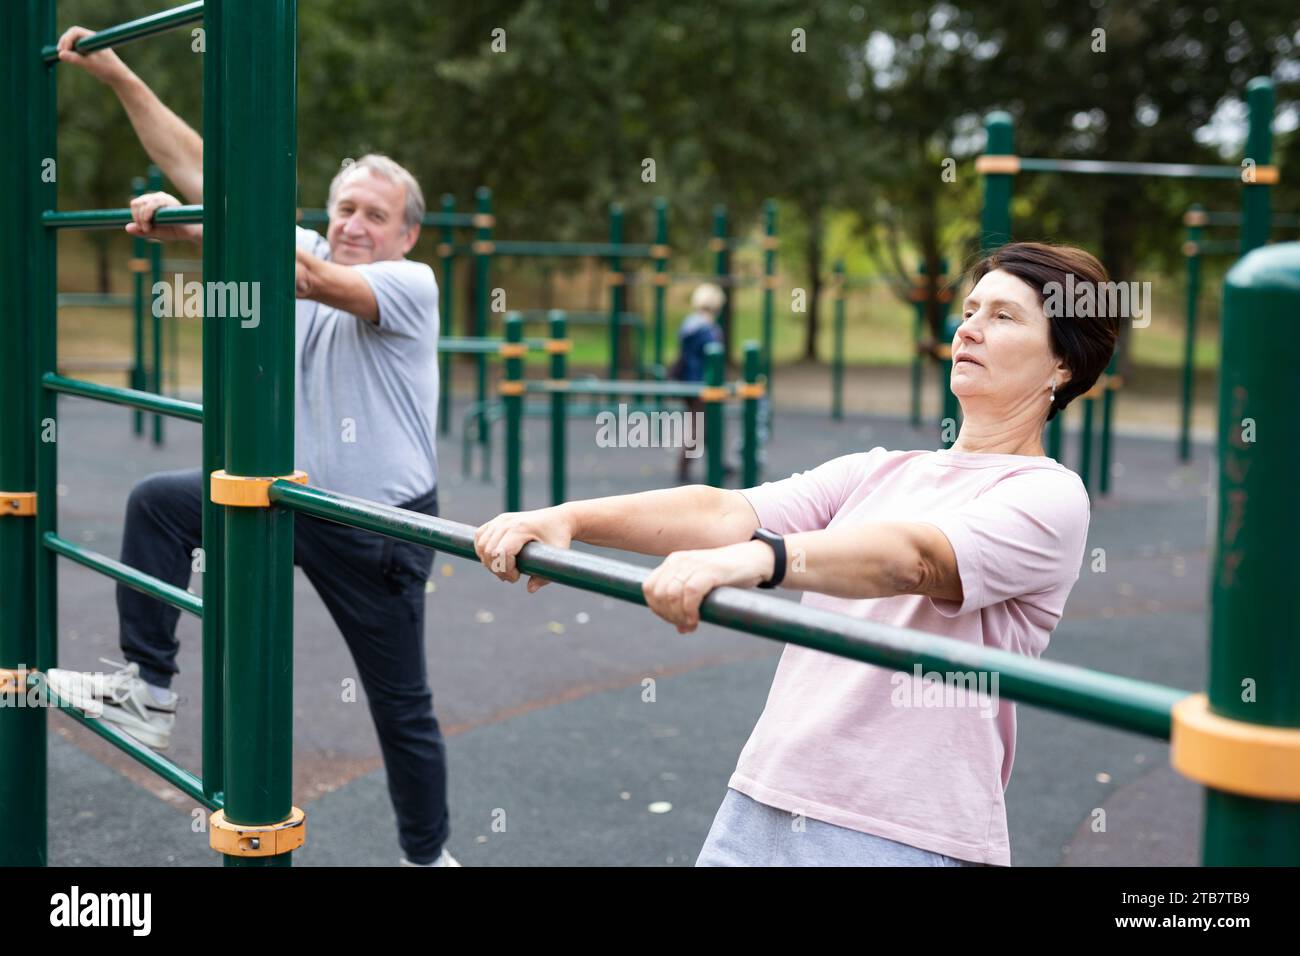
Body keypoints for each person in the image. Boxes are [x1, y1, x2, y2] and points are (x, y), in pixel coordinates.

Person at [473, 242, 1118, 866]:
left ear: (1063, 365)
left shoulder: (1048, 496)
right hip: (766, 791)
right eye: (971, 310)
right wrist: (568, 518)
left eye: (1003, 317)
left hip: (898, 826)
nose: (969, 329)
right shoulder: (881, 470)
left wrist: (763, 560)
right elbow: (723, 511)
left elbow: (916, 557)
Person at [45, 27, 458, 867]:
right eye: (343, 207)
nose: (352, 225)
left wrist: (203, 226)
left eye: (374, 215)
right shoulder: (304, 245)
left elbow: (301, 276)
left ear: (406, 235)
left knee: (399, 705)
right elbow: (204, 168)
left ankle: (429, 856)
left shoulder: (408, 286)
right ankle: (148, 688)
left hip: (378, 528)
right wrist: (119, 78)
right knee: (159, 502)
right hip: (292, 497)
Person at [670, 283, 726, 481]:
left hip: (687, 381)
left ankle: (718, 463)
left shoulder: (689, 324)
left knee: (706, 424)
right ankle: (683, 465)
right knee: (699, 426)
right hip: (703, 384)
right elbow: (713, 358)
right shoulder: (709, 330)